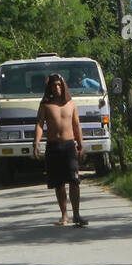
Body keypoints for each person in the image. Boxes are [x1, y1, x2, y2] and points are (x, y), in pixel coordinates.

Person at [33, 73, 87, 226]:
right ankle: (64, 215)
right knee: (58, 183)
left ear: (63, 86)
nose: (56, 88)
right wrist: (36, 143)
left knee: (74, 181)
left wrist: (81, 144)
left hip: (69, 146)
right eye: (53, 85)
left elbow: (77, 125)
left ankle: (76, 215)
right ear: (49, 87)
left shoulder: (71, 104)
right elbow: (39, 124)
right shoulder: (45, 104)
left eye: (59, 85)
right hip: (53, 146)